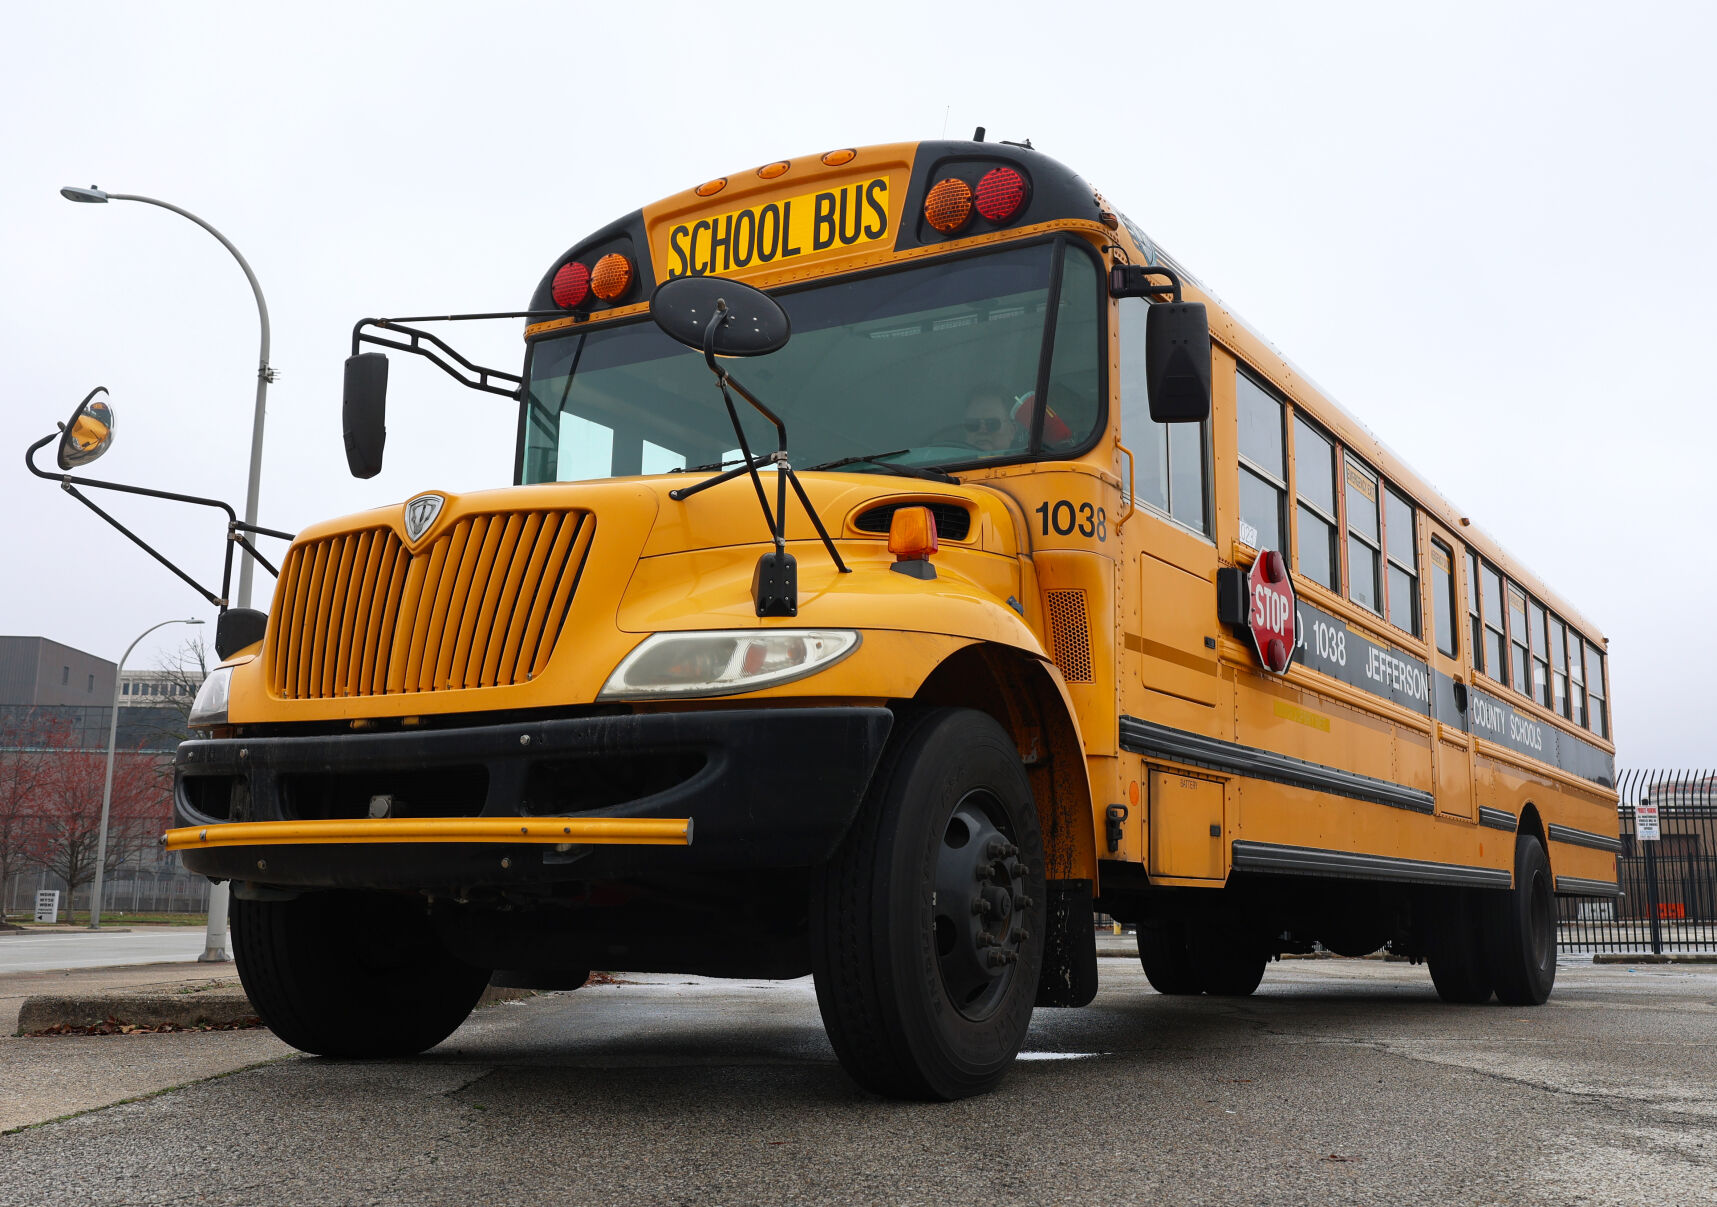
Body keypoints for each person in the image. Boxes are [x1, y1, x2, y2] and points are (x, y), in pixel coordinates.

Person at [962, 384, 1025, 453]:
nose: (982, 431)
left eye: (992, 424)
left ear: (1012, 430)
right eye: (973, 424)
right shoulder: (951, 461)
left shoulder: (1029, 460)